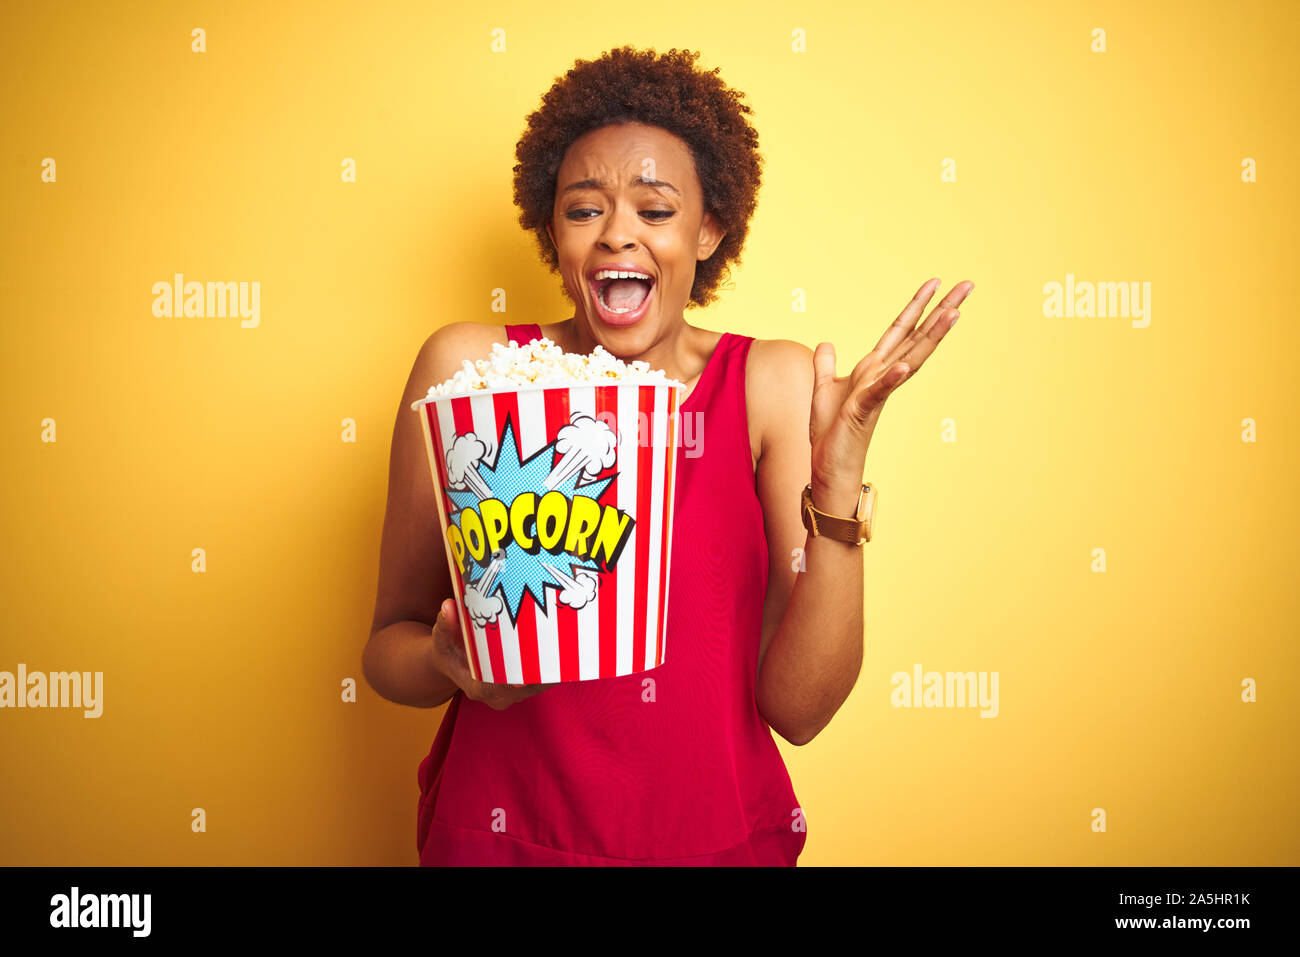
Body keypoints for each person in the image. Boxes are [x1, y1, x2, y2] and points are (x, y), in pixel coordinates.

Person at [362, 45, 973, 865]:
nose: (618, 233)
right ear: (553, 230)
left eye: (655, 210)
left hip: (714, 843)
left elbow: (800, 708)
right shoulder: (467, 371)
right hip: (501, 838)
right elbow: (387, 647)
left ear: (710, 226)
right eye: (584, 210)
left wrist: (837, 482)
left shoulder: (770, 384)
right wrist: (448, 661)